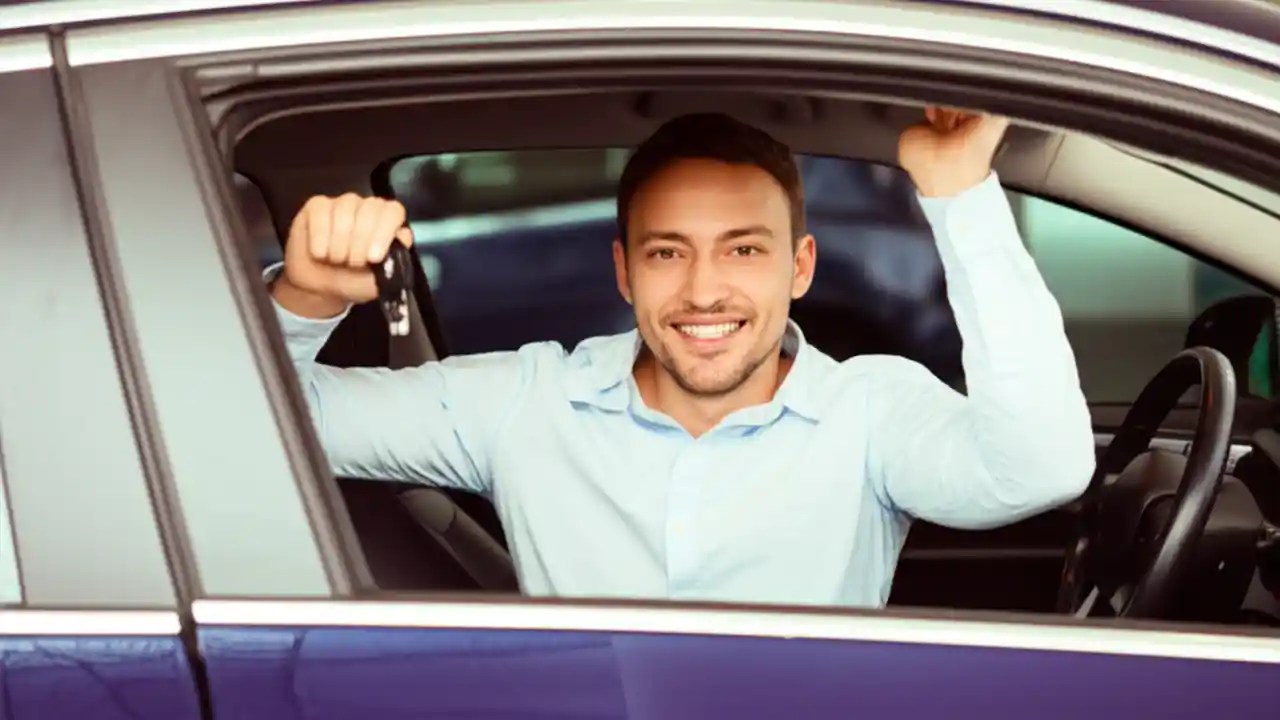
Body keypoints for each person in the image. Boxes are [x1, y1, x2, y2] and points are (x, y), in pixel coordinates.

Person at [267, 108, 1094, 608]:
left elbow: (1040, 466)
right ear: (624, 270)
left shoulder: (870, 409)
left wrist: (959, 193)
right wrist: (308, 300)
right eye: (668, 254)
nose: (705, 292)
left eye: (742, 251)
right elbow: (271, 428)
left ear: (799, 267)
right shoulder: (527, 399)